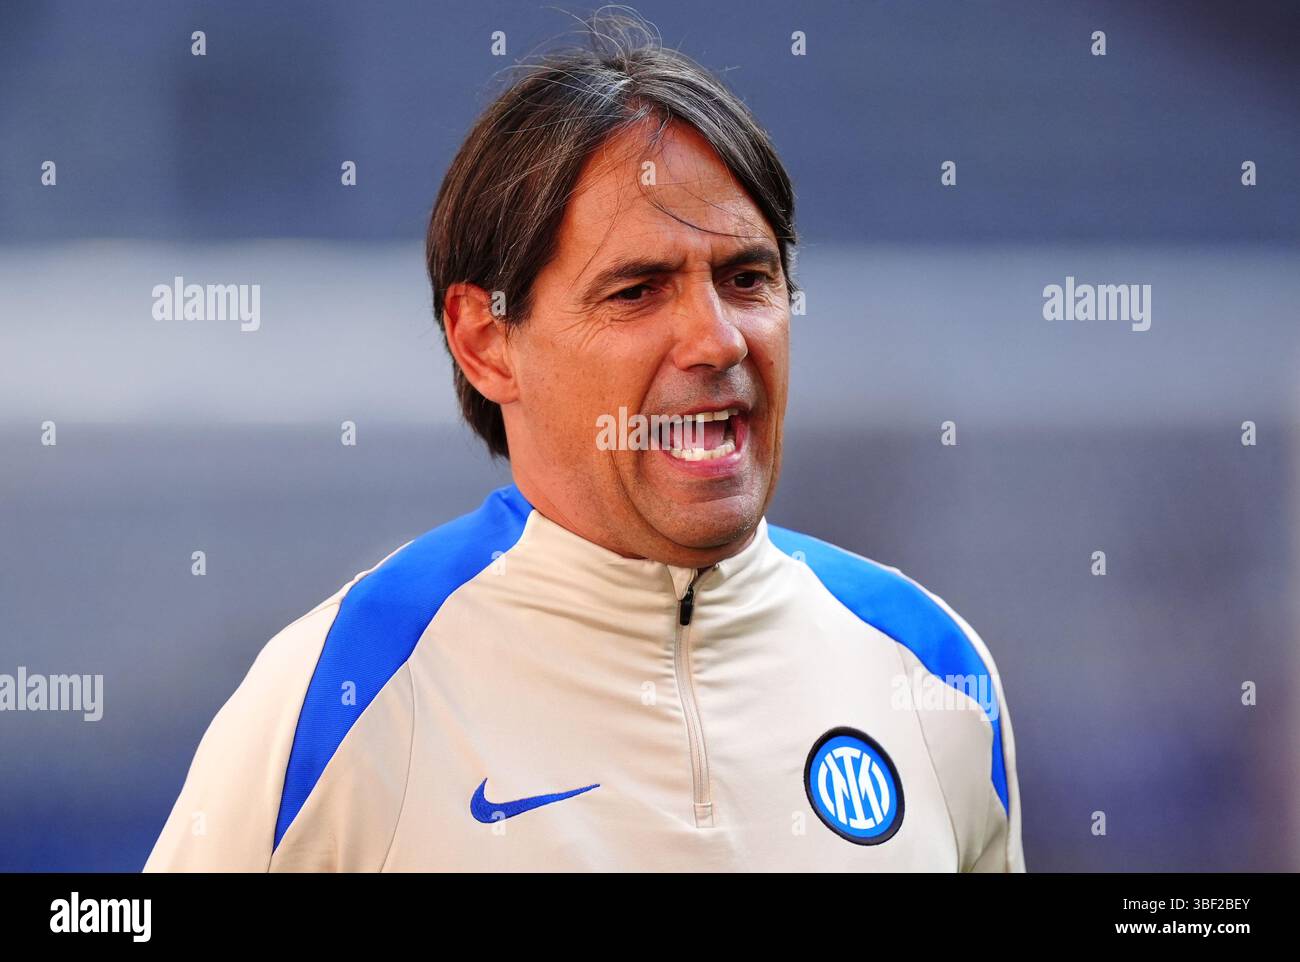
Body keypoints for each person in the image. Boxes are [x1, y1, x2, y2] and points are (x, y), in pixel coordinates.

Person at [145, 13, 1024, 872]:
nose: (718, 340)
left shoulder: (934, 670)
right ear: (485, 341)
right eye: (638, 291)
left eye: (746, 278)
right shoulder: (342, 689)